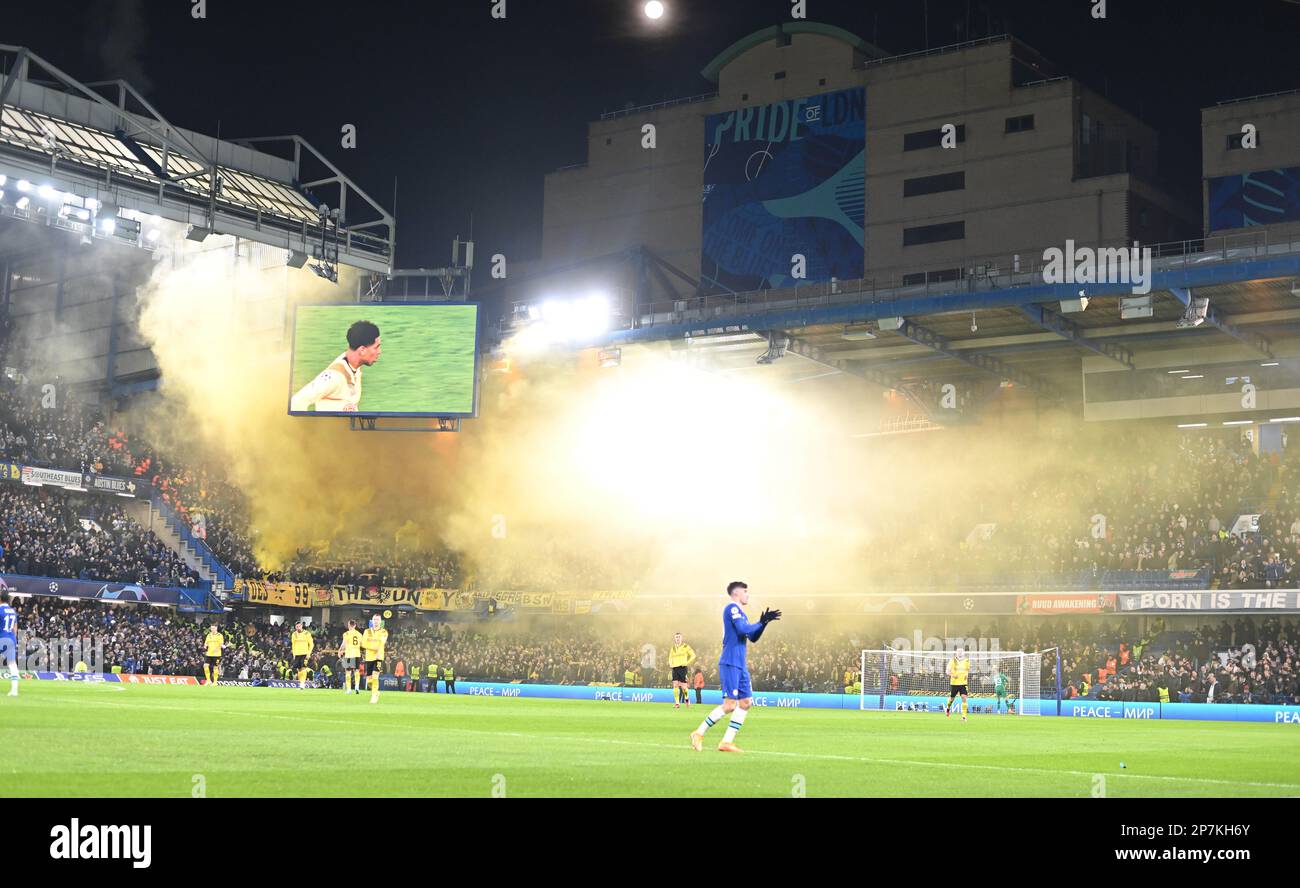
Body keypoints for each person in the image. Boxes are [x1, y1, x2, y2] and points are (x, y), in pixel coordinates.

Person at [690, 581, 780, 753]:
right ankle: (698, 733)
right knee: (730, 705)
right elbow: (742, 629)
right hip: (730, 662)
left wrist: (764, 623)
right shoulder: (731, 608)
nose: (748, 594)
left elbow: (752, 637)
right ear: (736, 594)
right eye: (746, 591)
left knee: (746, 702)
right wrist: (761, 621)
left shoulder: (742, 614)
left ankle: (726, 742)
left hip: (740, 664)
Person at [289, 320, 382, 413]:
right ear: (362, 350)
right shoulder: (334, 376)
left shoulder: (355, 367)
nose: (379, 352)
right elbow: (297, 401)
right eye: (376, 347)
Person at [362, 615, 388, 704]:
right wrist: (374, 647)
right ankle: (376, 691)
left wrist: (377, 650)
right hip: (369, 657)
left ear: (380, 621)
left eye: (377, 620)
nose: (376, 621)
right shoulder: (367, 631)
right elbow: (363, 644)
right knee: (369, 679)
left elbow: (382, 643)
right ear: (372, 621)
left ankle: (374, 696)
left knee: (375, 676)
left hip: (378, 657)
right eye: (374, 619)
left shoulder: (384, 632)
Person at [668, 632, 696, 709]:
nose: (677, 638)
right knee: (675, 685)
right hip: (675, 668)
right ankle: (677, 703)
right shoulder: (673, 648)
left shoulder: (686, 646)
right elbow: (670, 657)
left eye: (679, 637)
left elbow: (693, 655)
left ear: (681, 638)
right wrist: (670, 663)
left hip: (682, 668)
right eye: (676, 637)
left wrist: (687, 662)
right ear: (674, 638)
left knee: (684, 687)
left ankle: (687, 701)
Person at [338, 619, 363, 695]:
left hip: (349, 654)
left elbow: (344, 644)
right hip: (357, 654)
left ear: (348, 625)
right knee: (356, 671)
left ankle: (349, 689)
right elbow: (362, 645)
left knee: (348, 672)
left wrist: (340, 650)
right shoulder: (359, 634)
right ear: (355, 625)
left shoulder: (346, 634)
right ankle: (357, 687)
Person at [945, 646, 971, 722]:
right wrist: (953, 675)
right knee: (952, 699)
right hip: (954, 683)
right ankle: (948, 708)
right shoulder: (952, 660)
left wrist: (967, 675)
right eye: (958, 651)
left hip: (963, 683)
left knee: (964, 698)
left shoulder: (967, 661)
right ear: (956, 653)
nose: (960, 653)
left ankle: (964, 717)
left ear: (963, 653)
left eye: (961, 651)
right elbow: (947, 671)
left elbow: (967, 670)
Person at [0, 591, 18, 697]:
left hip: (1, 638)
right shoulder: (12, 611)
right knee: (12, 664)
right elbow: (15, 627)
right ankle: (14, 690)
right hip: (11, 639)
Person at [290, 621, 314, 689]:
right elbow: (293, 645)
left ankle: (302, 684)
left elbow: (311, 644)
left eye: (299, 626)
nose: (298, 628)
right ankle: (301, 683)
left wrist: (309, 653)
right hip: (297, 654)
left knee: (303, 667)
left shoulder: (307, 633)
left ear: (301, 626)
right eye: (297, 627)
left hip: (304, 653)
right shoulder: (294, 634)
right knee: (299, 669)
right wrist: (294, 654)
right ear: (295, 627)